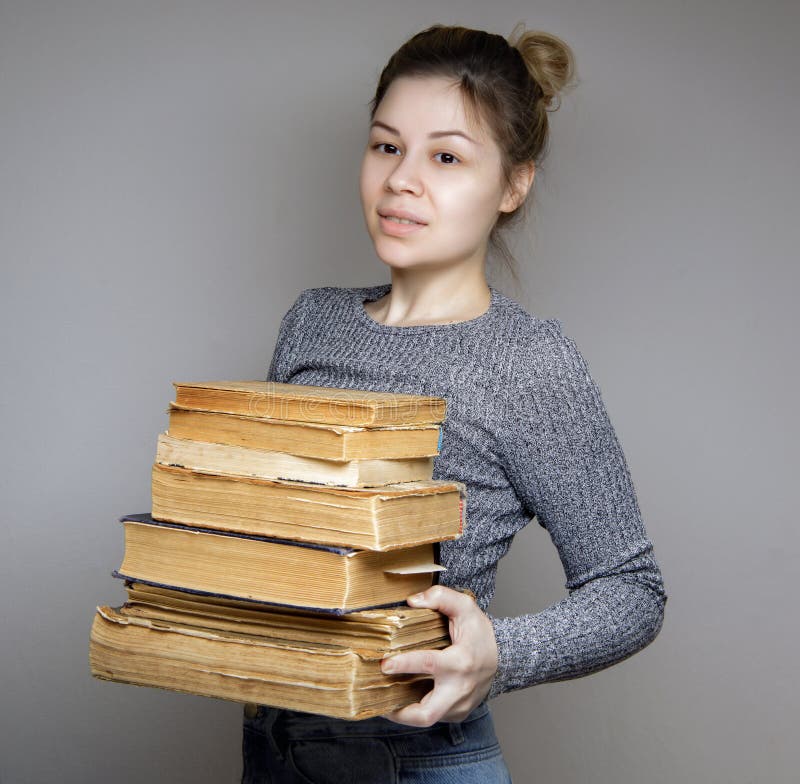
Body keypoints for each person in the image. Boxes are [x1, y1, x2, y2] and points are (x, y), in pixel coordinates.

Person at [242, 23, 667, 783]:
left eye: (446, 157)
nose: (403, 179)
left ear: (513, 184)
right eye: (385, 146)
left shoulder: (530, 362)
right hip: (276, 746)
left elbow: (631, 591)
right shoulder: (311, 320)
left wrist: (500, 652)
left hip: (416, 758)